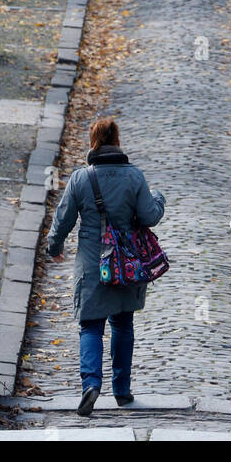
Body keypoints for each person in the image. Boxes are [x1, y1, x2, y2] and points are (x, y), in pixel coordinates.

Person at [46, 115, 165, 416]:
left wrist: (54, 246)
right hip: (126, 264)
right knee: (123, 324)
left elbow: (63, 219)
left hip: (92, 265)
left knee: (90, 326)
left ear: (93, 142)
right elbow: (150, 216)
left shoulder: (81, 178)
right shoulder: (135, 177)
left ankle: (91, 384)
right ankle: (122, 390)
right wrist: (158, 198)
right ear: (117, 141)